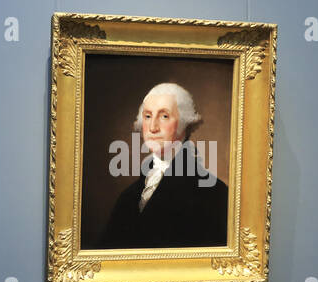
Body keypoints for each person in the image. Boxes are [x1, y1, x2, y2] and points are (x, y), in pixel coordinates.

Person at [97, 82, 228, 249]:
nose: (152, 127)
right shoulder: (128, 196)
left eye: (164, 116)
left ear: (185, 123)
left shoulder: (214, 193)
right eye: (148, 116)